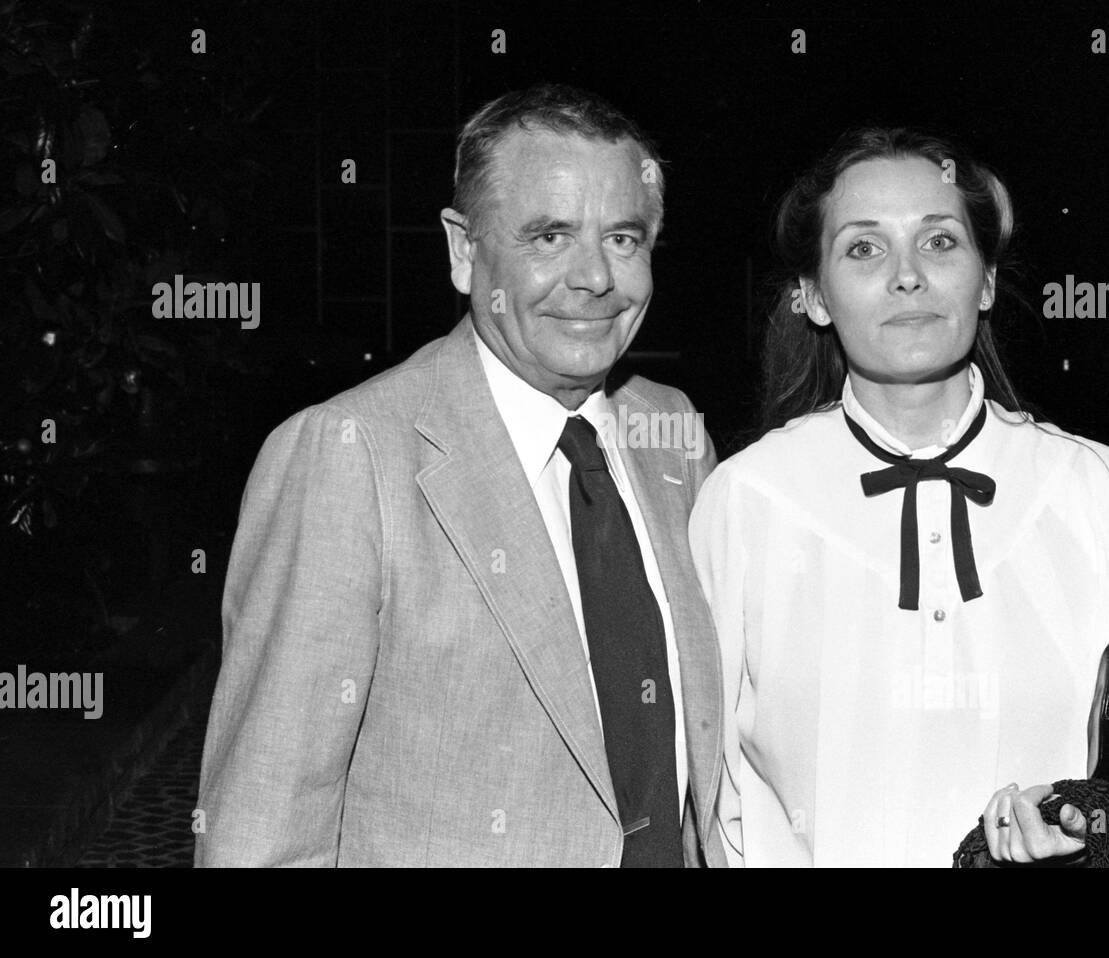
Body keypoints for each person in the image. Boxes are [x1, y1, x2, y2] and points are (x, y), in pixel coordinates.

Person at [195, 83, 726, 867]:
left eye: (623, 237)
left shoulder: (673, 436)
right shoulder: (348, 455)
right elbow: (262, 828)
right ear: (464, 251)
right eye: (548, 235)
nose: (594, 277)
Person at [688, 126, 1109, 867]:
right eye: (864, 248)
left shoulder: (1096, 488)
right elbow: (709, 782)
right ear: (814, 297)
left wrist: (1092, 825)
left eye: (939, 241)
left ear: (984, 282)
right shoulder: (747, 499)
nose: (907, 276)